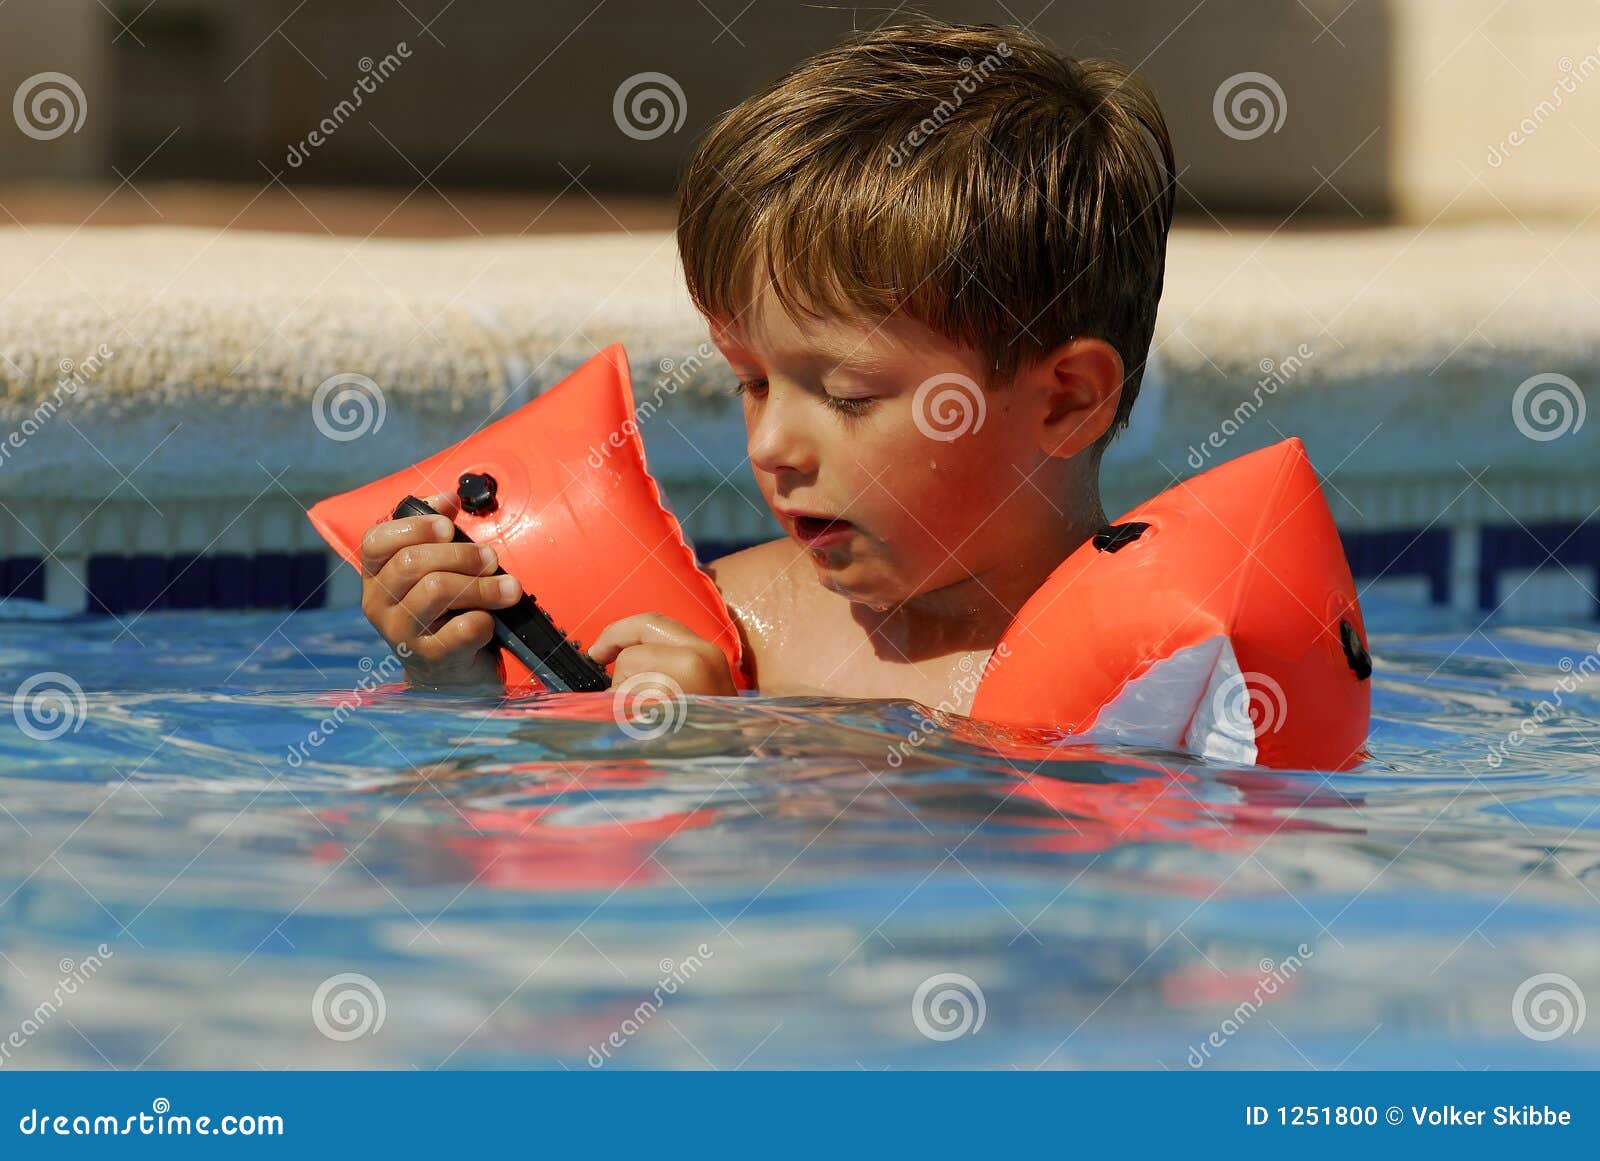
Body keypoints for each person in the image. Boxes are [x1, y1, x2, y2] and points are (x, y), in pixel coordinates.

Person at [357, 18, 1176, 714]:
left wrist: (729, 751)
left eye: (847, 394)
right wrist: (454, 687)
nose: (771, 444)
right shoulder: (730, 623)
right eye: (751, 382)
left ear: (1066, 401)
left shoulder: (1153, 675)